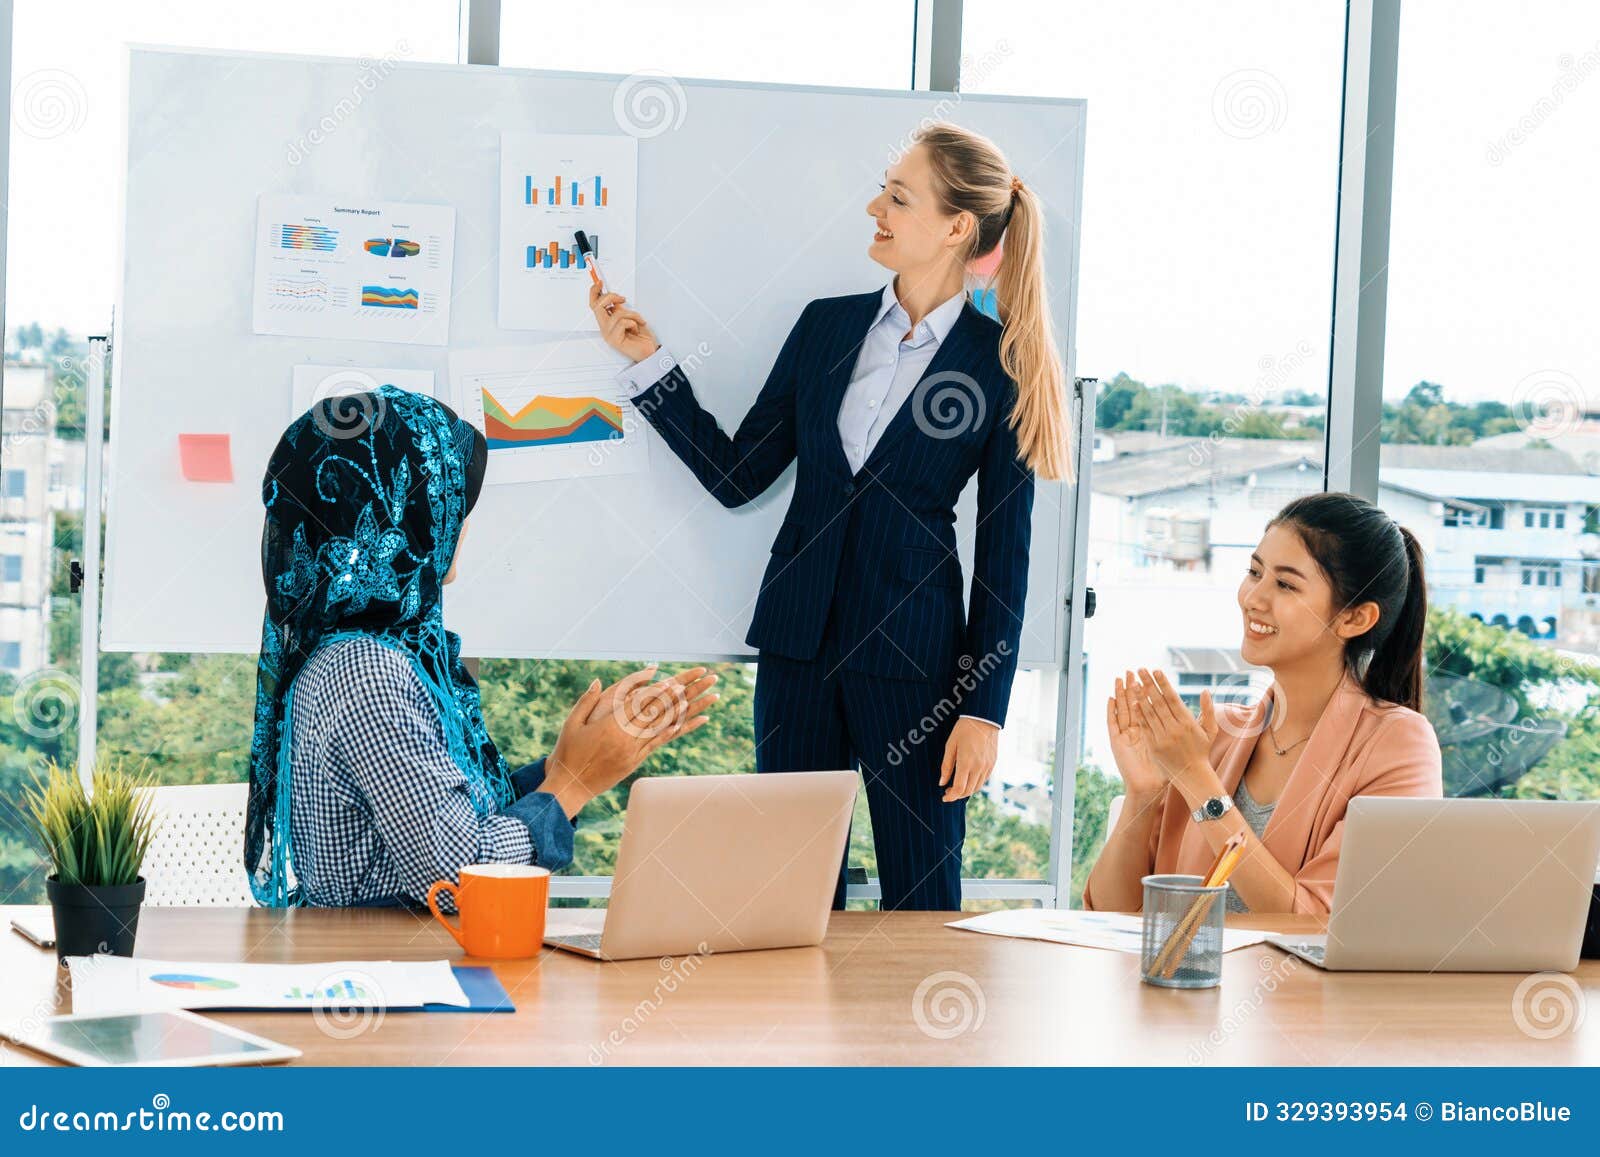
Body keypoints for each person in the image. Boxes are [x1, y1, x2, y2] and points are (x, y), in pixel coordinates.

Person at [587, 122, 1072, 910]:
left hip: (918, 670)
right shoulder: (825, 327)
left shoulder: (1000, 363)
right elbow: (740, 476)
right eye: (884, 188)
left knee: (921, 893)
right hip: (798, 653)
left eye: (899, 196)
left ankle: (911, 1038)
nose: (875, 206)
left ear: (956, 227)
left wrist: (984, 710)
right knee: (787, 892)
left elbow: (1005, 559)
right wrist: (649, 364)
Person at [244, 387, 718, 907]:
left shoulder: (376, 652)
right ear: (410, 518)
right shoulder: (366, 670)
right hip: (404, 976)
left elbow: (447, 819)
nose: (462, 525)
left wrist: (566, 762)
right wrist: (574, 783)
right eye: (453, 506)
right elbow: (456, 875)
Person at [1083, 492, 1443, 915]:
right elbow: (1111, 916)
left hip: (1299, 985)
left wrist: (1198, 782)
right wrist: (1142, 796)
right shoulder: (1217, 734)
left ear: (1354, 618)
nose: (1254, 597)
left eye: (1286, 584)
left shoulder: (1399, 743)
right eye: (1254, 572)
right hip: (1187, 983)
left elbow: (1318, 924)